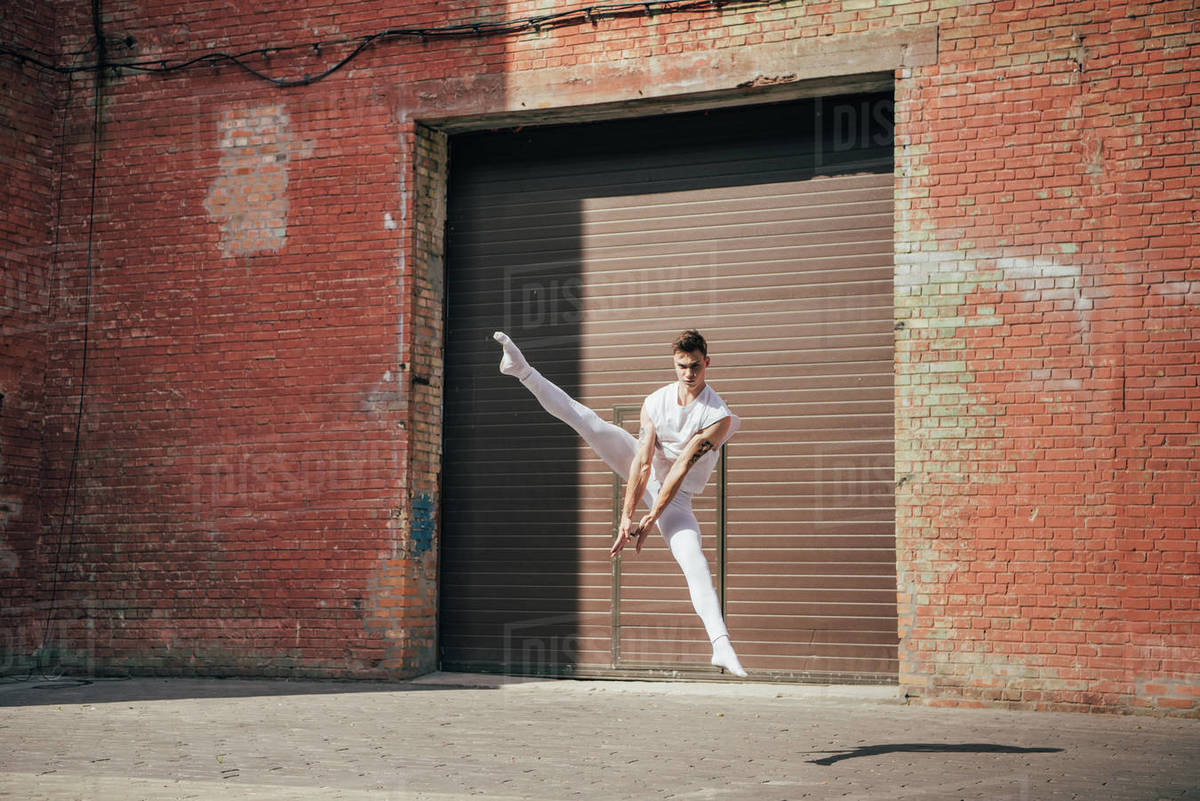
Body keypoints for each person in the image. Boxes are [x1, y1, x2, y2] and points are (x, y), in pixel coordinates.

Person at [493, 329, 747, 677]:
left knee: (693, 558)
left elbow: (680, 470)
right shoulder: (656, 401)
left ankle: (720, 644)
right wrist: (626, 518)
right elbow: (641, 463)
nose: (688, 374)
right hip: (641, 468)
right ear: (674, 364)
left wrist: (651, 516)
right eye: (682, 366)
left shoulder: (718, 416)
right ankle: (521, 369)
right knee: (591, 424)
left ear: (708, 363)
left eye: (696, 367)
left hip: (676, 496)